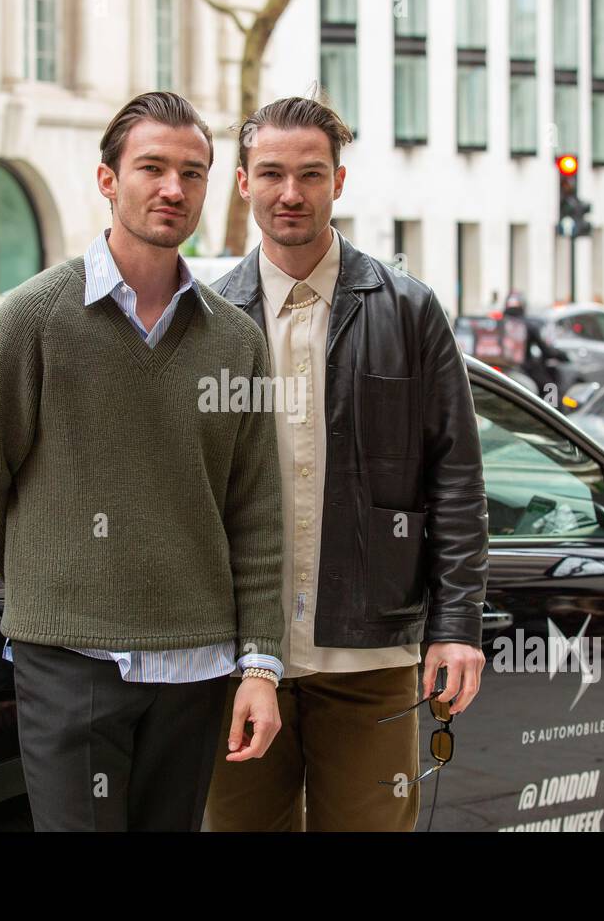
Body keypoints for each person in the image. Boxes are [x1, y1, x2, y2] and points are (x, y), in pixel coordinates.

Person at [0, 92, 285, 831]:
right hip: (71, 663)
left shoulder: (237, 342)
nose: (173, 188)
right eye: (152, 167)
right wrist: (53, 578)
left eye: (193, 173)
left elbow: (254, 513)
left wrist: (259, 664)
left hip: (199, 669)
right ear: (106, 180)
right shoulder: (35, 317)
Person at [205, 96, 490, 831]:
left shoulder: (408, 310)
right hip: (240, 657)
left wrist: (457, 624)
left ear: (339, 181)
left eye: (310, 174)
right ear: (243, 183)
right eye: (270, 173)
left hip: (370, 656)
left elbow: (455, 478)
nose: (290, 193)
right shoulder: (207, 317)